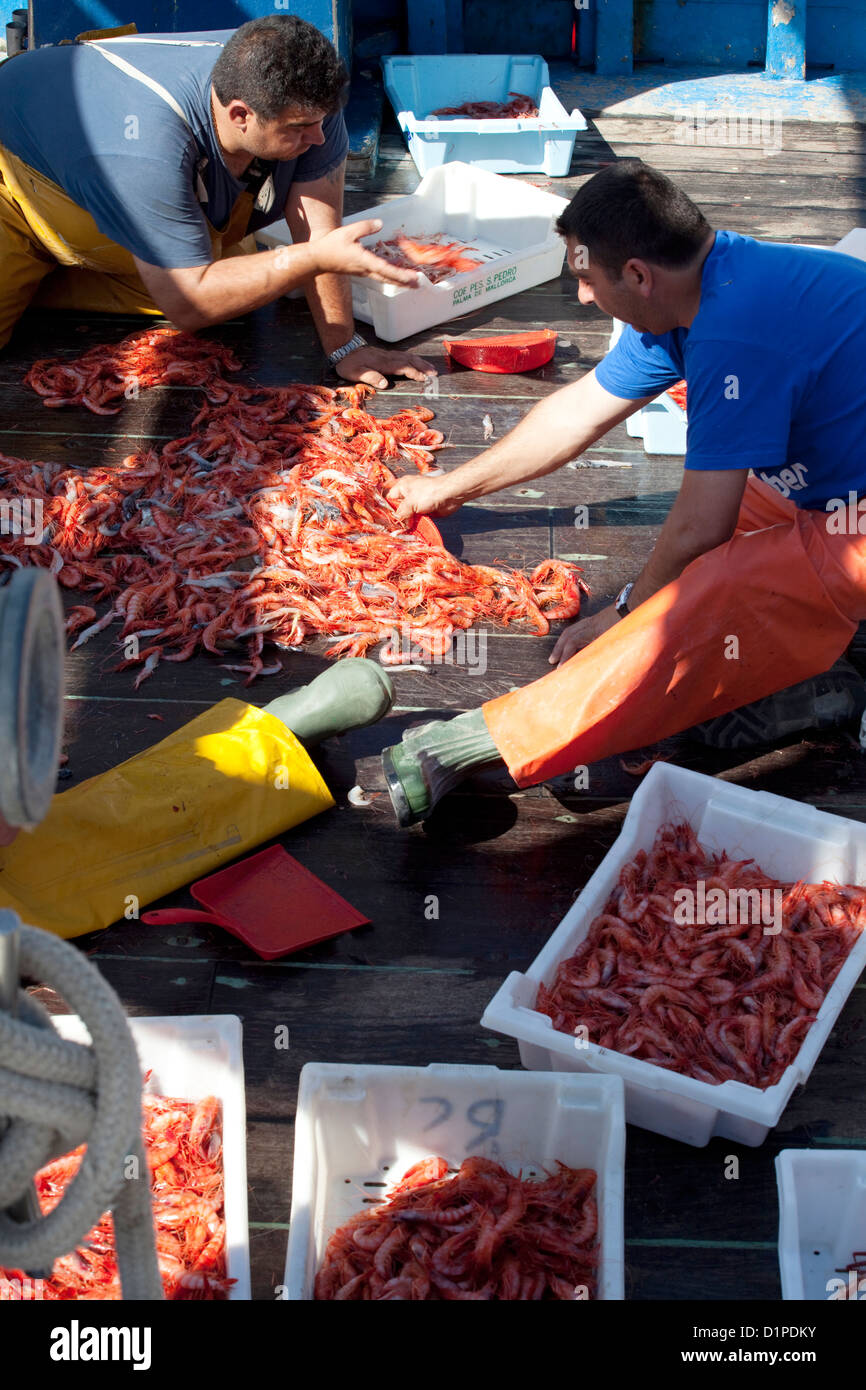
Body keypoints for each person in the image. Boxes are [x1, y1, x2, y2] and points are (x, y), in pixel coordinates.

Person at [381, 160, 866, 825]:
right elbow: (576, 413)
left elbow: (702, 530)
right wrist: (448, 487)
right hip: (829, 484)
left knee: (723, 581)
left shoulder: (735, 332)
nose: (579, 298)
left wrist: (625, 612)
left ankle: (479, 744)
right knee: (700, 569)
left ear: (638, 274)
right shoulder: (691, 294)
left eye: (585, 278)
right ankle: (736, 690)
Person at [0, 15, 434, 390]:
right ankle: (41, 261)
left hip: (119, 183)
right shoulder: (145, 148)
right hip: (19, 186)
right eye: (301, 128)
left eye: (321, 123)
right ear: (240, 115)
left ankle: (67, 271)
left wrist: (344, 346)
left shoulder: (307, 101)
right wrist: (304, 260)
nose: (319, 139)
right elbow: (190, 304)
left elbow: (321, 236)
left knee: (235, 291)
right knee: (205, 293)